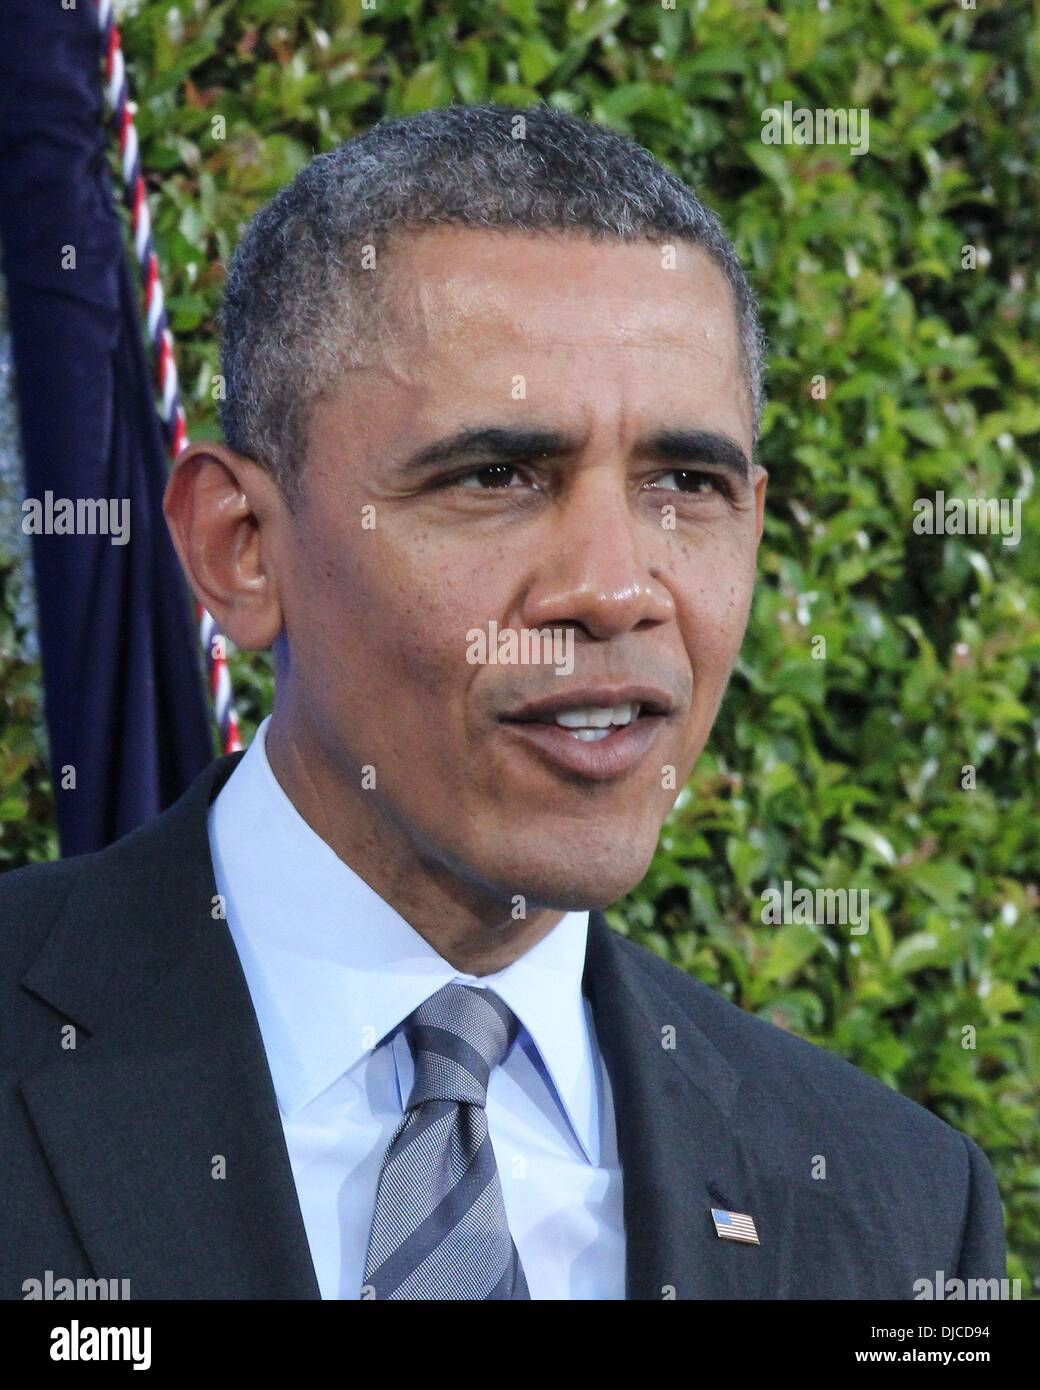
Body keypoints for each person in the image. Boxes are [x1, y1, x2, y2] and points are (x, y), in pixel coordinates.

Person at [1, 104, 1004, 1300]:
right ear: (240, 549)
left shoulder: (899, 1212)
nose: (615, 586)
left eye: (684, 482)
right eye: (495, 476)